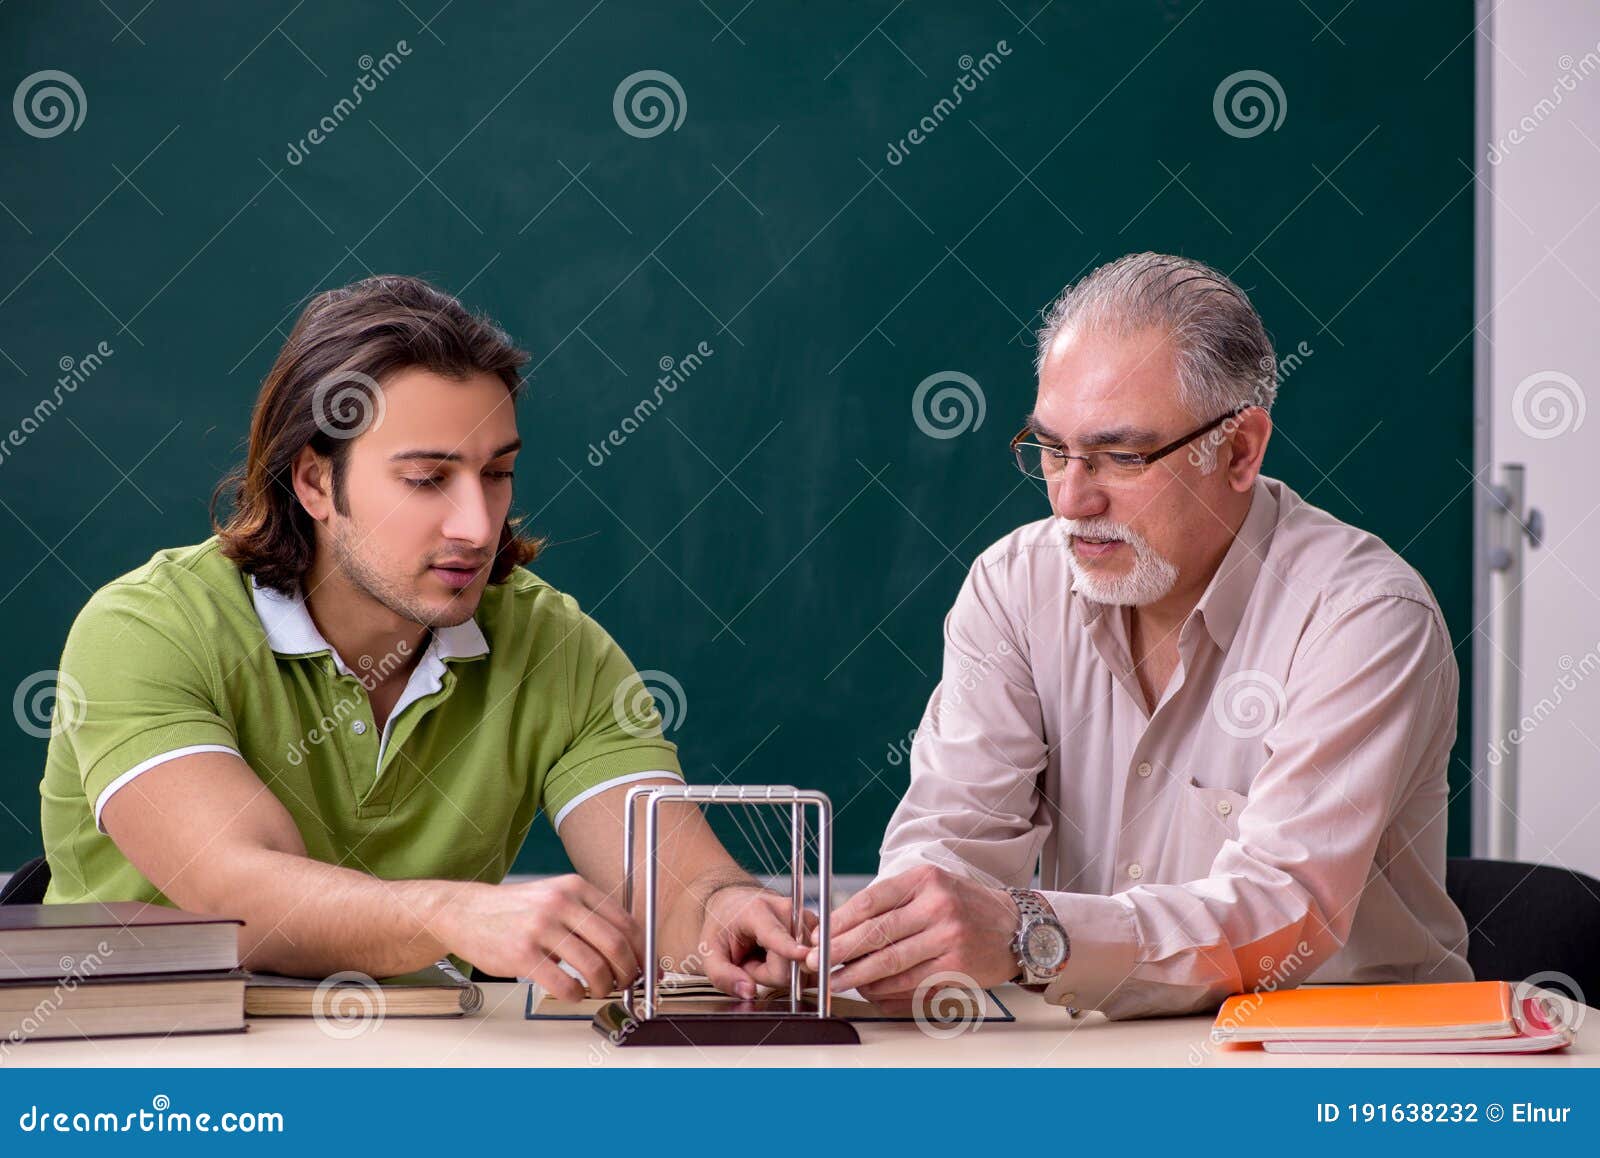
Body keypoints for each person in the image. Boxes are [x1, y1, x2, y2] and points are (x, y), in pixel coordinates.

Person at [40, 274, 805, 1002]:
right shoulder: (145, 629)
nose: (477, 526)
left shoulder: (552, 645)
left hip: (418, 1068)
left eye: (496, 473)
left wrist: (730, 915)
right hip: (150, 1074)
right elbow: (241, 892)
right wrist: (454, 914)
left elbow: (672, 888)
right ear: (313, 482)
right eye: (427, 479)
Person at [813, 252, 1473, 1019]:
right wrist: (880, 937)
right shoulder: (1015, 586)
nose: (1070, 498)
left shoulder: (1365, 616)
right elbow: (951, 836)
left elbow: (1284, 911)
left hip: (1342, 1066)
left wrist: (1034, 935)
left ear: (1238, 450)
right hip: (1100, 1053)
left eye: (1120, 457)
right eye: (1051, 449)